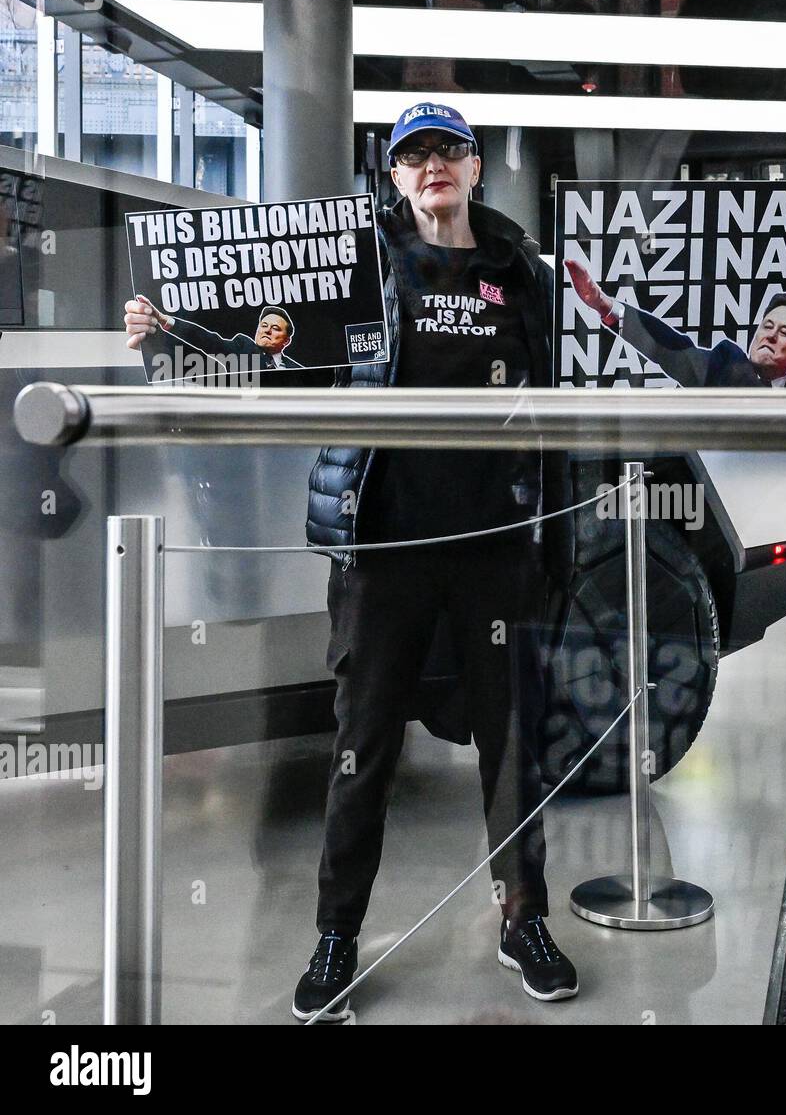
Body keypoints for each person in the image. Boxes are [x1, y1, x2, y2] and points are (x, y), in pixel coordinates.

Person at [124, 101, 579, 1020]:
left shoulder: (519, 272)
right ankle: (337, 935)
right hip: (382, 546)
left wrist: (556, 541)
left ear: (476, 167)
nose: (432, 166)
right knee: (361, 751)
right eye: (414, 155)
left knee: (512, 745)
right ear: (396, 175)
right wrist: (167, 344)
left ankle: (522, 920)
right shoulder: (358, 266)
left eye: (449, 150)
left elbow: (554, 412)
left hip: (496, 545)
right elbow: (277, 367)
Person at [564, 256, 786, 387]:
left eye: (785, 332)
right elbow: (671, 348)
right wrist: (604, 306)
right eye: (767, 326)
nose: (771, 335)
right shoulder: (725, 367)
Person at [124, 301, 306, 380]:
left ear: (287, 340)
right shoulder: (243, 346)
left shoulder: (300, 370)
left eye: (275, 328)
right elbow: (208, 341)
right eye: (264, 325)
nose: (267, 330)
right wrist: (163, 323)